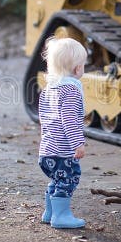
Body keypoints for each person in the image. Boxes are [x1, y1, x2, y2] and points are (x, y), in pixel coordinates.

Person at [37, 36, 87, 229]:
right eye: (83, 65)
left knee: (57, 179)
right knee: (67, 180)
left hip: (46, 151)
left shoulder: (49, 90)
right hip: (62, 152)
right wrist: (78, 143)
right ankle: (61, 216)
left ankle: (49, 213)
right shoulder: (71, 91)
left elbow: (45, 119)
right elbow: (69, 120)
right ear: (77, 69)